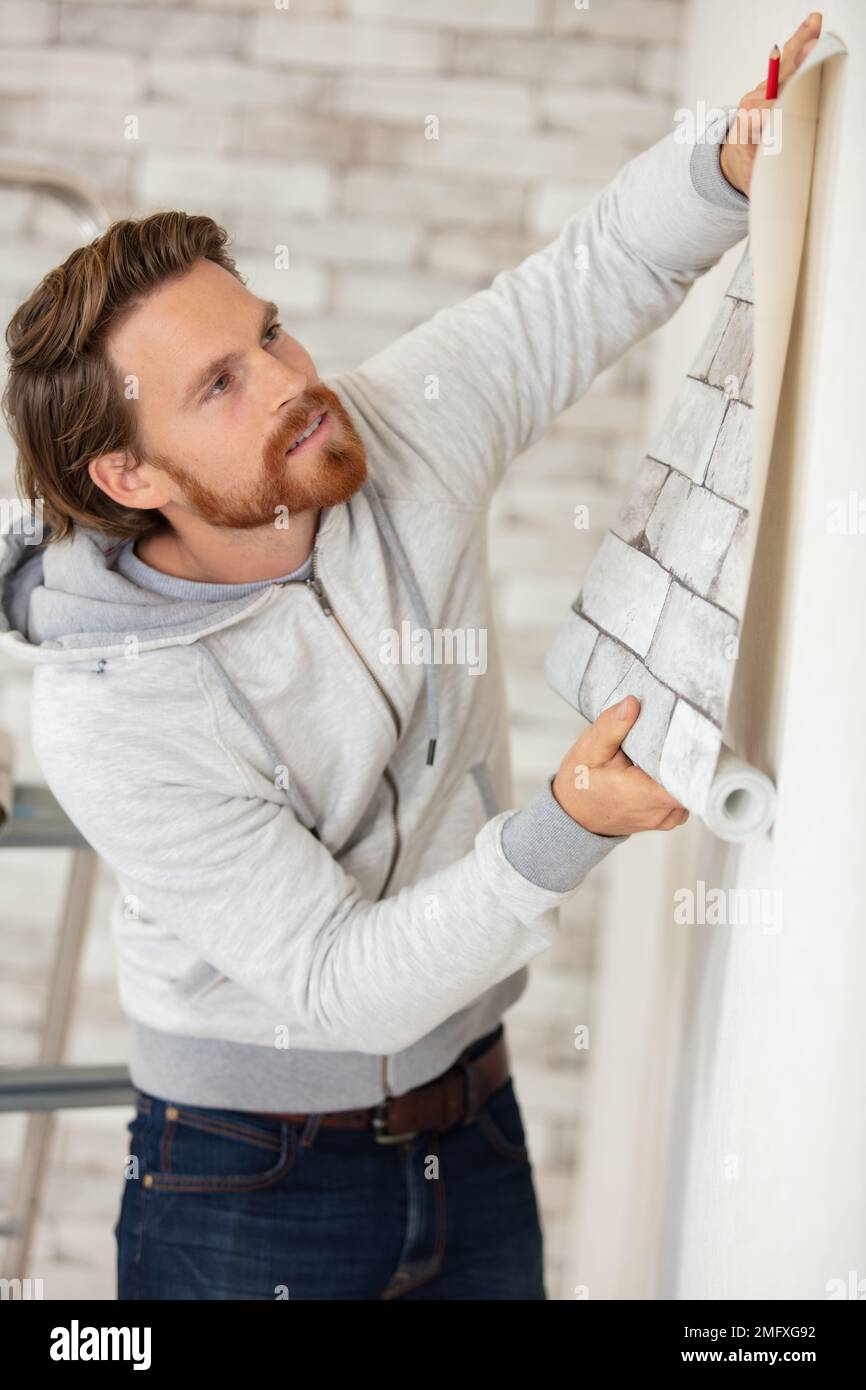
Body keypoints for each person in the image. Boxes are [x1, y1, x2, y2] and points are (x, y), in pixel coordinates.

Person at [0, 14, 822, 1301]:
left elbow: (589, 272)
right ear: (130, 476)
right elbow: (339, 986)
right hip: (241, 1179)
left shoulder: (394, 429)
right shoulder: (110, 711)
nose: (290, 381)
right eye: (218, 385)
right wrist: (564, 827)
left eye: (269, 334)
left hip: (472, 1116)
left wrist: (726, 157)